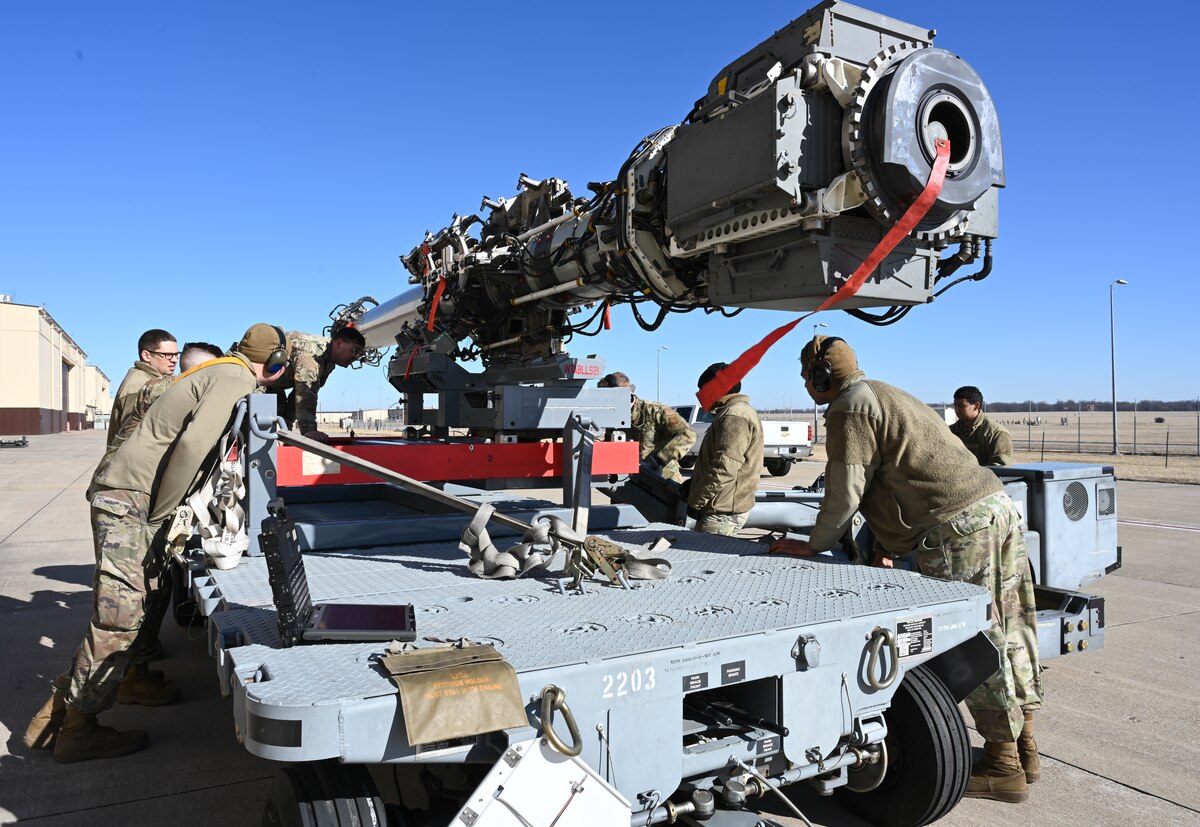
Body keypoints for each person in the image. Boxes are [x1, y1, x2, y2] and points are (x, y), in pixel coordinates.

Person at [770, 335, 1042, 803]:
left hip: (956, 526)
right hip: (994, 506)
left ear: (820, 376)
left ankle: (1003, 766)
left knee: (972, 641)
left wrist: (812, 545)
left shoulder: (849, 407)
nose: (803, 383)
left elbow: (844, 493)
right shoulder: (882, 392)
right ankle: (1027, 749)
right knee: (1012, 626)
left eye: (806, 374)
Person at [25, 324, 290, 763]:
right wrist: (163, 514)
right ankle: (77, 729)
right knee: (119, 619)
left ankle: (53, 721)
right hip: (134, 500)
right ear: (275, 364)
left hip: (128, 496)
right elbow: (192, 445)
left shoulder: (221, 369)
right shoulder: (236, 377)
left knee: (127, 614)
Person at [686, 362, 763, 535]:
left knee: (704, 560)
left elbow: (724, 468)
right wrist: (694, 485)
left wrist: (696, 501)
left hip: (722, 513)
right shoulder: (734, 412)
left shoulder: (734, 416)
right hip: (722, 507)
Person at [267, 327, 367, 442]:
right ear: (339, 344)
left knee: (280, 430)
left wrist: (287, 423)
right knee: (265, 429)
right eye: (354, 351)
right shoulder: (312, 355)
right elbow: (305, 392)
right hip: (258, 381)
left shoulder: (328, 363)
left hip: (274, 386)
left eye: (360, 355)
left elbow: (298, 395)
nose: (355, 358)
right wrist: (308, 429)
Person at [598, 372, 696, 482]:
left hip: (663, 479)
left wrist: (659, 460)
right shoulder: (613, 416)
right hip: (629, 482)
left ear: (628, 395)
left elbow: (688, 434)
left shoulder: (655, 411)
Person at [108, 329, 178, 446]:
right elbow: (131, 437)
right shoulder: (138, 385)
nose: (174, 360)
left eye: (176, 354)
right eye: (167, 355)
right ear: (146, 355)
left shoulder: (152, 380)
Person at [951, 385, 1014, 466]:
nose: (956, 410)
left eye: (961, 406)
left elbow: (1001, 467)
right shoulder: (951, 431)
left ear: (976, 406)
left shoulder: (996, 433)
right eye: (955, 406)